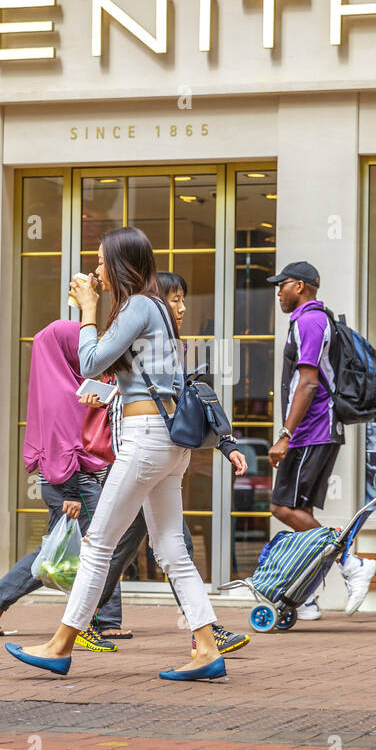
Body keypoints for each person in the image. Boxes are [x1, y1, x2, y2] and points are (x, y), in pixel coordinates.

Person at [6, 226, 226, 681]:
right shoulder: (153, 309)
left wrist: (87, 312)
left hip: (146, 441)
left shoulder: (139, 305)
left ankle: (60, 644)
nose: (97, 269)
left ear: (122, 264)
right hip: (164, 443)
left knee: (97, 545)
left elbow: (90, 362)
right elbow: (142, 379)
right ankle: (206, 648)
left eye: (103, 261)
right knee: (171, 548)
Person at [84, 271, 250, 656]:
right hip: (137, 456)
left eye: (181, 299)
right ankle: (82, 625)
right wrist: (107, 397)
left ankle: (201, 635)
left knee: (142, 548)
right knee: (118, 546)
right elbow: (119, 385)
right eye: (174, 299)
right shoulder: (135, 334)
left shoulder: (171, 346)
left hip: (155, 456)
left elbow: (191, 399)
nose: (181, 307)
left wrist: (225, 443)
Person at [0, 319, 125, 649]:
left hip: (65, 480)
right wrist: (73, 493)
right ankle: (106, 620)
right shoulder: (65, 394)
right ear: (64, 349)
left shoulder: (65, 386)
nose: (83, 351)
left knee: (55, 552)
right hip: (73, 482)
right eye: (76, 345)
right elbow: (63, 446)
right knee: (101, 544)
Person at [266, 261, 375, 621]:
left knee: (282, 508)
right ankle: (308, 594)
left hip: (311, 431)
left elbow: (308, 383)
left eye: (282, 285)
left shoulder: (308, 321)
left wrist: (285, 434)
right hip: (316, 431)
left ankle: (350, 562)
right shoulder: (313, 319)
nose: (278, 291)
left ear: (299, 286)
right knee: (302, 513)